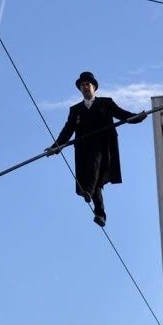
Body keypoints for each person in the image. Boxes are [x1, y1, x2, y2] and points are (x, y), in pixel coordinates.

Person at [45, 71, 146, 227]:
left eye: (87, 84)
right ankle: (100, 214)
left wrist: (136, 117)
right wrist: (55, 148)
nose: (85, 87)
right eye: (82, 86)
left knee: (95, 164)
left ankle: (88, 191)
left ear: (94, 87)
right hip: (83, 149)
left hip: (103, 147)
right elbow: (67, 132)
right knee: (96, 182)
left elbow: (122, 115)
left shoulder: (106, 103)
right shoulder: (76, 110)